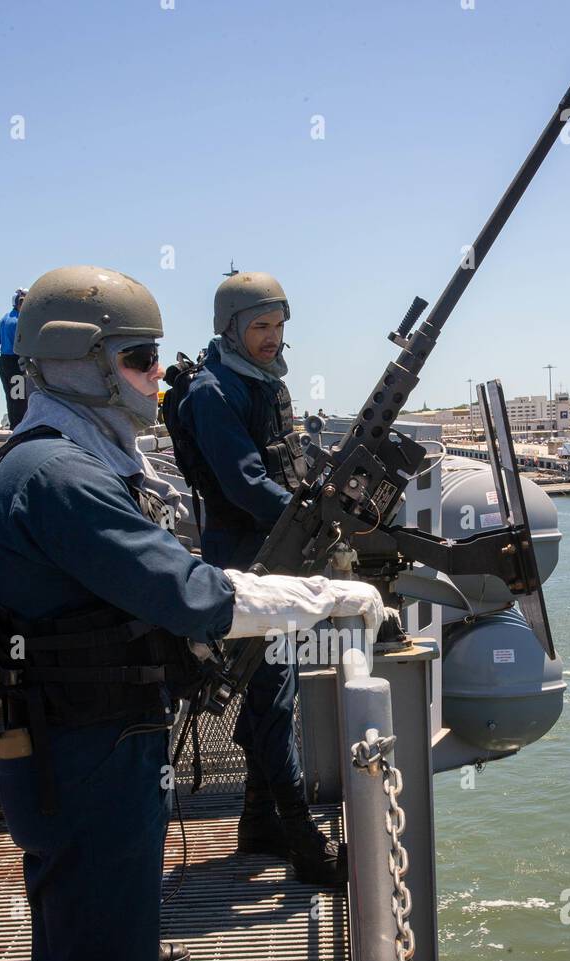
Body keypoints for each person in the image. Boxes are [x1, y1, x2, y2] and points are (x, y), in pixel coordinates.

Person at [0, 265, 383, 961]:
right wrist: (321, 602)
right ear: (77, 360)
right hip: (87, 756)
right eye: (141, 359)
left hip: (97, 746)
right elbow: (191, 595)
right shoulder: (58, 477)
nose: (160, 378)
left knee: (106, 952)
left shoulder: (65, 457)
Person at [178, 272, 347, 887]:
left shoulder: (256, 380)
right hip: (247, 559)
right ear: (231, 329)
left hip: (277, 549)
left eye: (278, 327)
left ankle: (257, 820)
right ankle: (304, 840)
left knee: (274, 689)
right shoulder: (214, 391)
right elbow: (244, 483)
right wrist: (310, 518)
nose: (272, 339)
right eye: (259, 327)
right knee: (272, 695)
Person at [0, 288, 29, 427]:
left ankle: (15, 426)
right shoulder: (20, 321)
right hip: (15, 362)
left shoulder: (4, 318)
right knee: (20, 397)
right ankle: (18, 427)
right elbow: (23, 344)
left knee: (11, 397)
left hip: (3, 363)